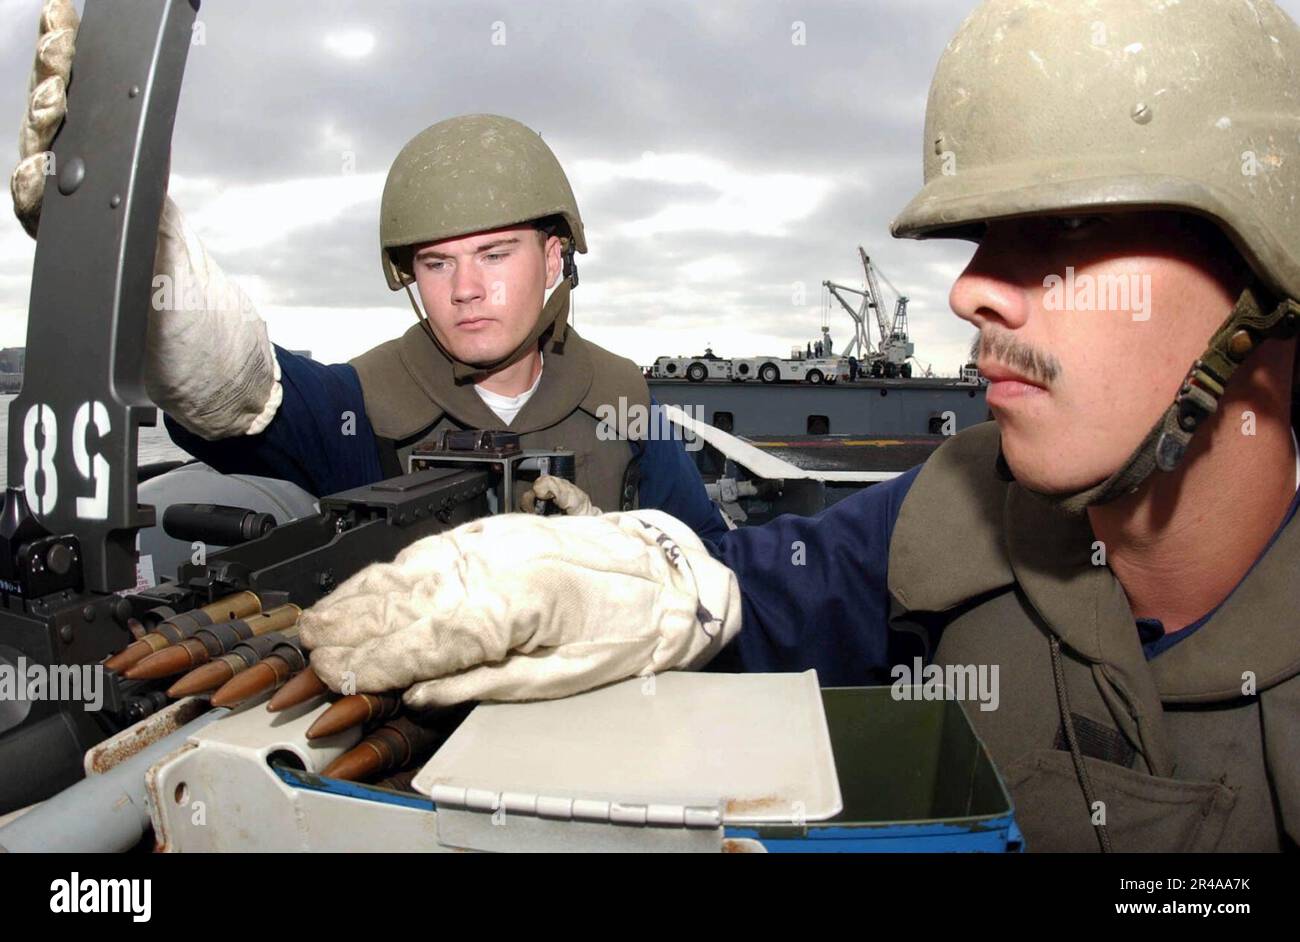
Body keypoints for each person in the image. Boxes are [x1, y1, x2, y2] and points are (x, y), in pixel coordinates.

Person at [293, 0, 1300, 853]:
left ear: (1268, 280)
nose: (968, 290)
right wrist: (621, 587)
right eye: (982, 239)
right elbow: (754, 595)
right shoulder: (949, 518)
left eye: (1072, 230)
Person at [10, 1, 726, 540]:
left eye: (495, 254)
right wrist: (122, 227)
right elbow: (237, 387)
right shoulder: (359, 407)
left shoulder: (626, 412)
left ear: (554, 258)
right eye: (436, 263)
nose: (465, 289)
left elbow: (711, 582)